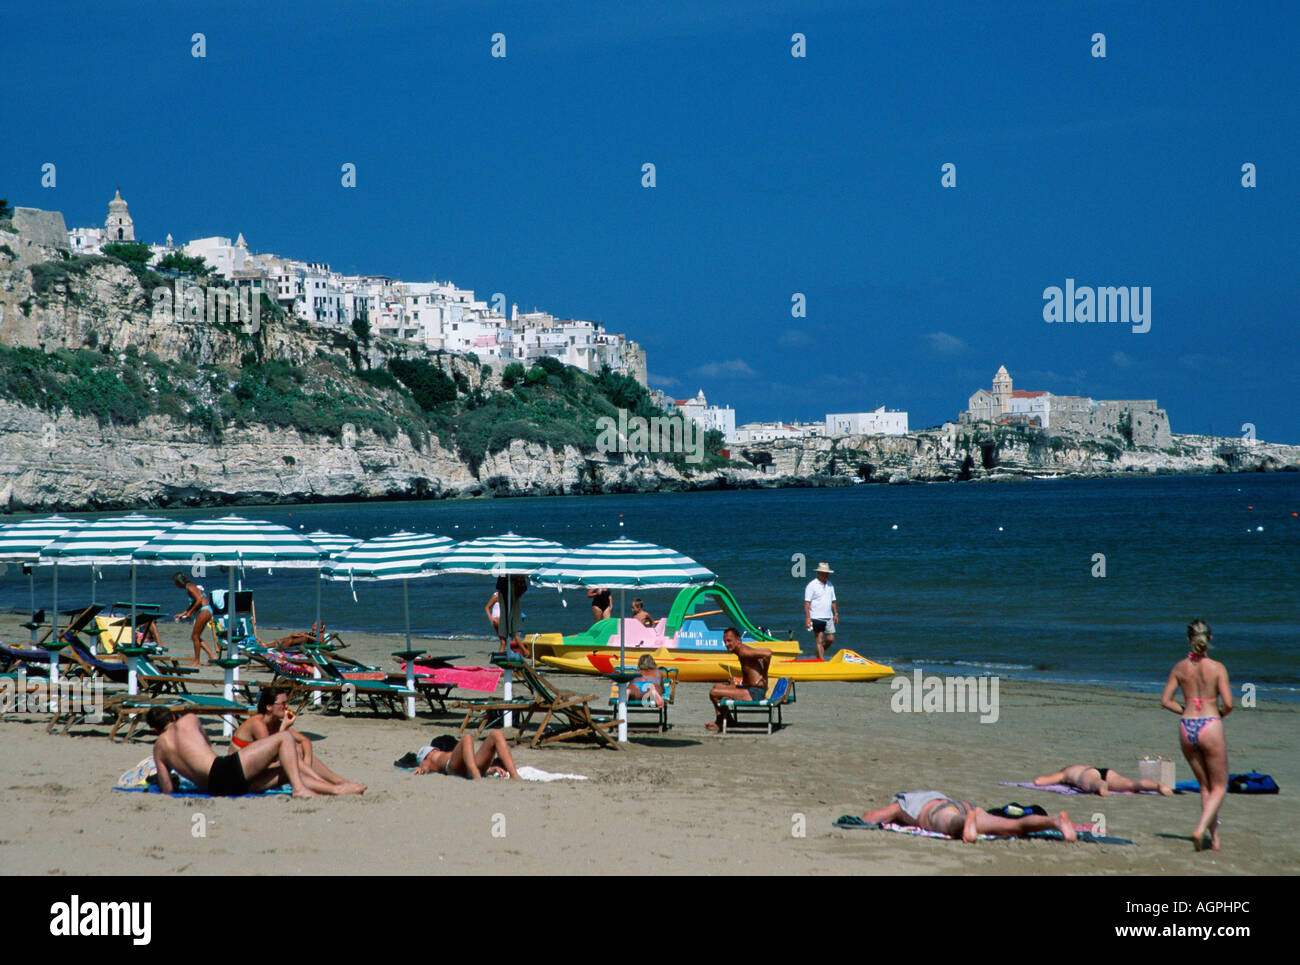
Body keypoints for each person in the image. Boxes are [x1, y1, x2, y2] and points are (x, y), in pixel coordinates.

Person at [1161, 619, 1233, 851]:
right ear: (1210, 639)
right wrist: (1218, 715)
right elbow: (1229, 704)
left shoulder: (1180, 667)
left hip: (1187, 725)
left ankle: (1216, 840)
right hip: (1210, 723)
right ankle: (1201, 829)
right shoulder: (1217, 668)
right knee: (1220, 786)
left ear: (1188, 639)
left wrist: (1184, 710)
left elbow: (1165, 701)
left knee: (1205, 787)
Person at [146, 707, 322, 798]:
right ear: (174, 717)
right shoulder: (189, 719)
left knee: (286, 769)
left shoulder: (159, 748)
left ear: (155, 729)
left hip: (215, 789)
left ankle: (338, 789)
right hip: (223, 772)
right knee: (284, 738)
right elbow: (206, 745)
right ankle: (300, 789)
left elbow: (167, 790)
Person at [231, 688, 366, 794]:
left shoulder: (275, 723)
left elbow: (305, 741)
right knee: (294, 755)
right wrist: (284, 727)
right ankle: (330, 786)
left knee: (298, 752)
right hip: (246, 780)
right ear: (269, 707)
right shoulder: (257, 724)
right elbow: (271, 754)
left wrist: (306, 764)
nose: (286, 706)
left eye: (287, 703)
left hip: (259, 773)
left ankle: (341, 782)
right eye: (283, 703)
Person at [861, 790, 1077, 844]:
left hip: (942, 813)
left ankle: (966, 823)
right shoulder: (933, 794)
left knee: (951, 823)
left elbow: (872, 818)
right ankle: (1054, 821)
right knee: (1010, 826)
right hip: (964, 805)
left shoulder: (902, 803)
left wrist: (891, 813)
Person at [707, 628, 772, 732]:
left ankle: (721, 721)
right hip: (749, 688)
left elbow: (768, 653)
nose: (726, 644)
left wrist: (764, 674)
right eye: (725, 641)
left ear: (738, 640)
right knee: (717, 686)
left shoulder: (743, 651)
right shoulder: (741, 651)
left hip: (754, 692)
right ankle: (728, 720)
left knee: (713, 693)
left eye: (729, 641)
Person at [414, 732, 521, 780]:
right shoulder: (429, 758)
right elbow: (425, 767)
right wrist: (422, 770)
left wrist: (491, 769)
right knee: (467, 738)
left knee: (496, 735)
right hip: (453, 767)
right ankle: (476, 775)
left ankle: (514, 774)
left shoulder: (437, 755)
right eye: (433, 750)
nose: (435, 750)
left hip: (468, 765)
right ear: (428, 754)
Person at [1034, 764, 1173, 796]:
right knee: (1131, 784)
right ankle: (1157, 786)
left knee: (1094, 783)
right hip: (1104, 771)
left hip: (1087, 774)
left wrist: (1058, 778)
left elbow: (1040, 782)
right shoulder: (1078, 766)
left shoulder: (1064, 773)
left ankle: (1101, 787)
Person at [172, 572, 219, 666]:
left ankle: (197, 661)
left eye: (176, 583)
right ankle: (212, 656)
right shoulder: (191, 586)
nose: (176, 585)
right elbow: (195, 603)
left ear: (179, 582)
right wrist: (183, 614)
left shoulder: (190, 587)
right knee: (196, 636)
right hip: (207, 610)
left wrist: (189, 613)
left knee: (195, 636)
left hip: (204, 610)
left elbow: (199, 600)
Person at [803, 562, 839, 660]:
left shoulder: (830, 585)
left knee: (830, 639)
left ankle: (818, 654)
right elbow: (807, 603)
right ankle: (820, 660)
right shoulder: (812, 585)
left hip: (829, 616)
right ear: (819, 573)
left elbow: (833, 601)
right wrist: (808, 618)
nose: (827, 575)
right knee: (819, 639)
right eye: (824, 573)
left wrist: (835, 614)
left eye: (827, 573)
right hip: (816, 616)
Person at [497, 574, 531, 659]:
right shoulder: (507, 592)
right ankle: (525, 652)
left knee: (503, 641)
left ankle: (525, 652)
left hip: (502, 615)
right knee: (505, 640)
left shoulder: (503, 589)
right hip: (499, 616)